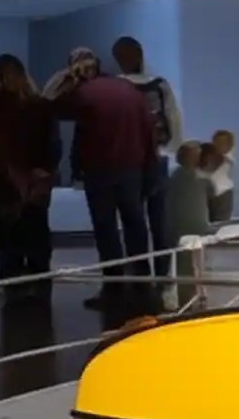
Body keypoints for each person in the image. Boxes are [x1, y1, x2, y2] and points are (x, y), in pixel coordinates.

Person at [50, 47, 158, 309]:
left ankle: (114, 287)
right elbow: (148, 130)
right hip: (133, 169)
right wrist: (149, 169)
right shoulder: (128, 90)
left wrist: (65, 77)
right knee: (135, 225)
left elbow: (49, 104)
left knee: (106, 230)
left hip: (100, 171)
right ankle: (143, 282)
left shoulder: (83, 94)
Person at [0, 54, 59, 305]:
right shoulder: (27, 105)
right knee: (24, 239)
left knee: (18, 240)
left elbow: (49, 145)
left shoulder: (11, 106)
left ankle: (23, 289)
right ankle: (30, 289)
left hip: (16, 183)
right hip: (14, 183)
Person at [112, 36, 183, 279]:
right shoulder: (160, 85)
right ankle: (161, 274)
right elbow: (173, 119)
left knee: (135, 221)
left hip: (129, 162)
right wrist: (170, 150)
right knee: (157, 220)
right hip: (156, 158)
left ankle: (142, 274)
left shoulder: (114, 87)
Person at [167, 141, 214, 309]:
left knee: (194, 263)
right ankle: (188, 299)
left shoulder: (178, 177)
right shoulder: (191, 178)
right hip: (185, 227)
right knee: (188, 264)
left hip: (194, 227)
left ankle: (195, 295)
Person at [205, 130, 236, 222]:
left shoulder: (227, 158)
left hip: (223, 194)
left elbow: (210, 168)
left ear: (229, 145)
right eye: (215, 142)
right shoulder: (212, 157)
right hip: (209, 194)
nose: (217, 146)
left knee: (220, 223)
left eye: (221, 143)